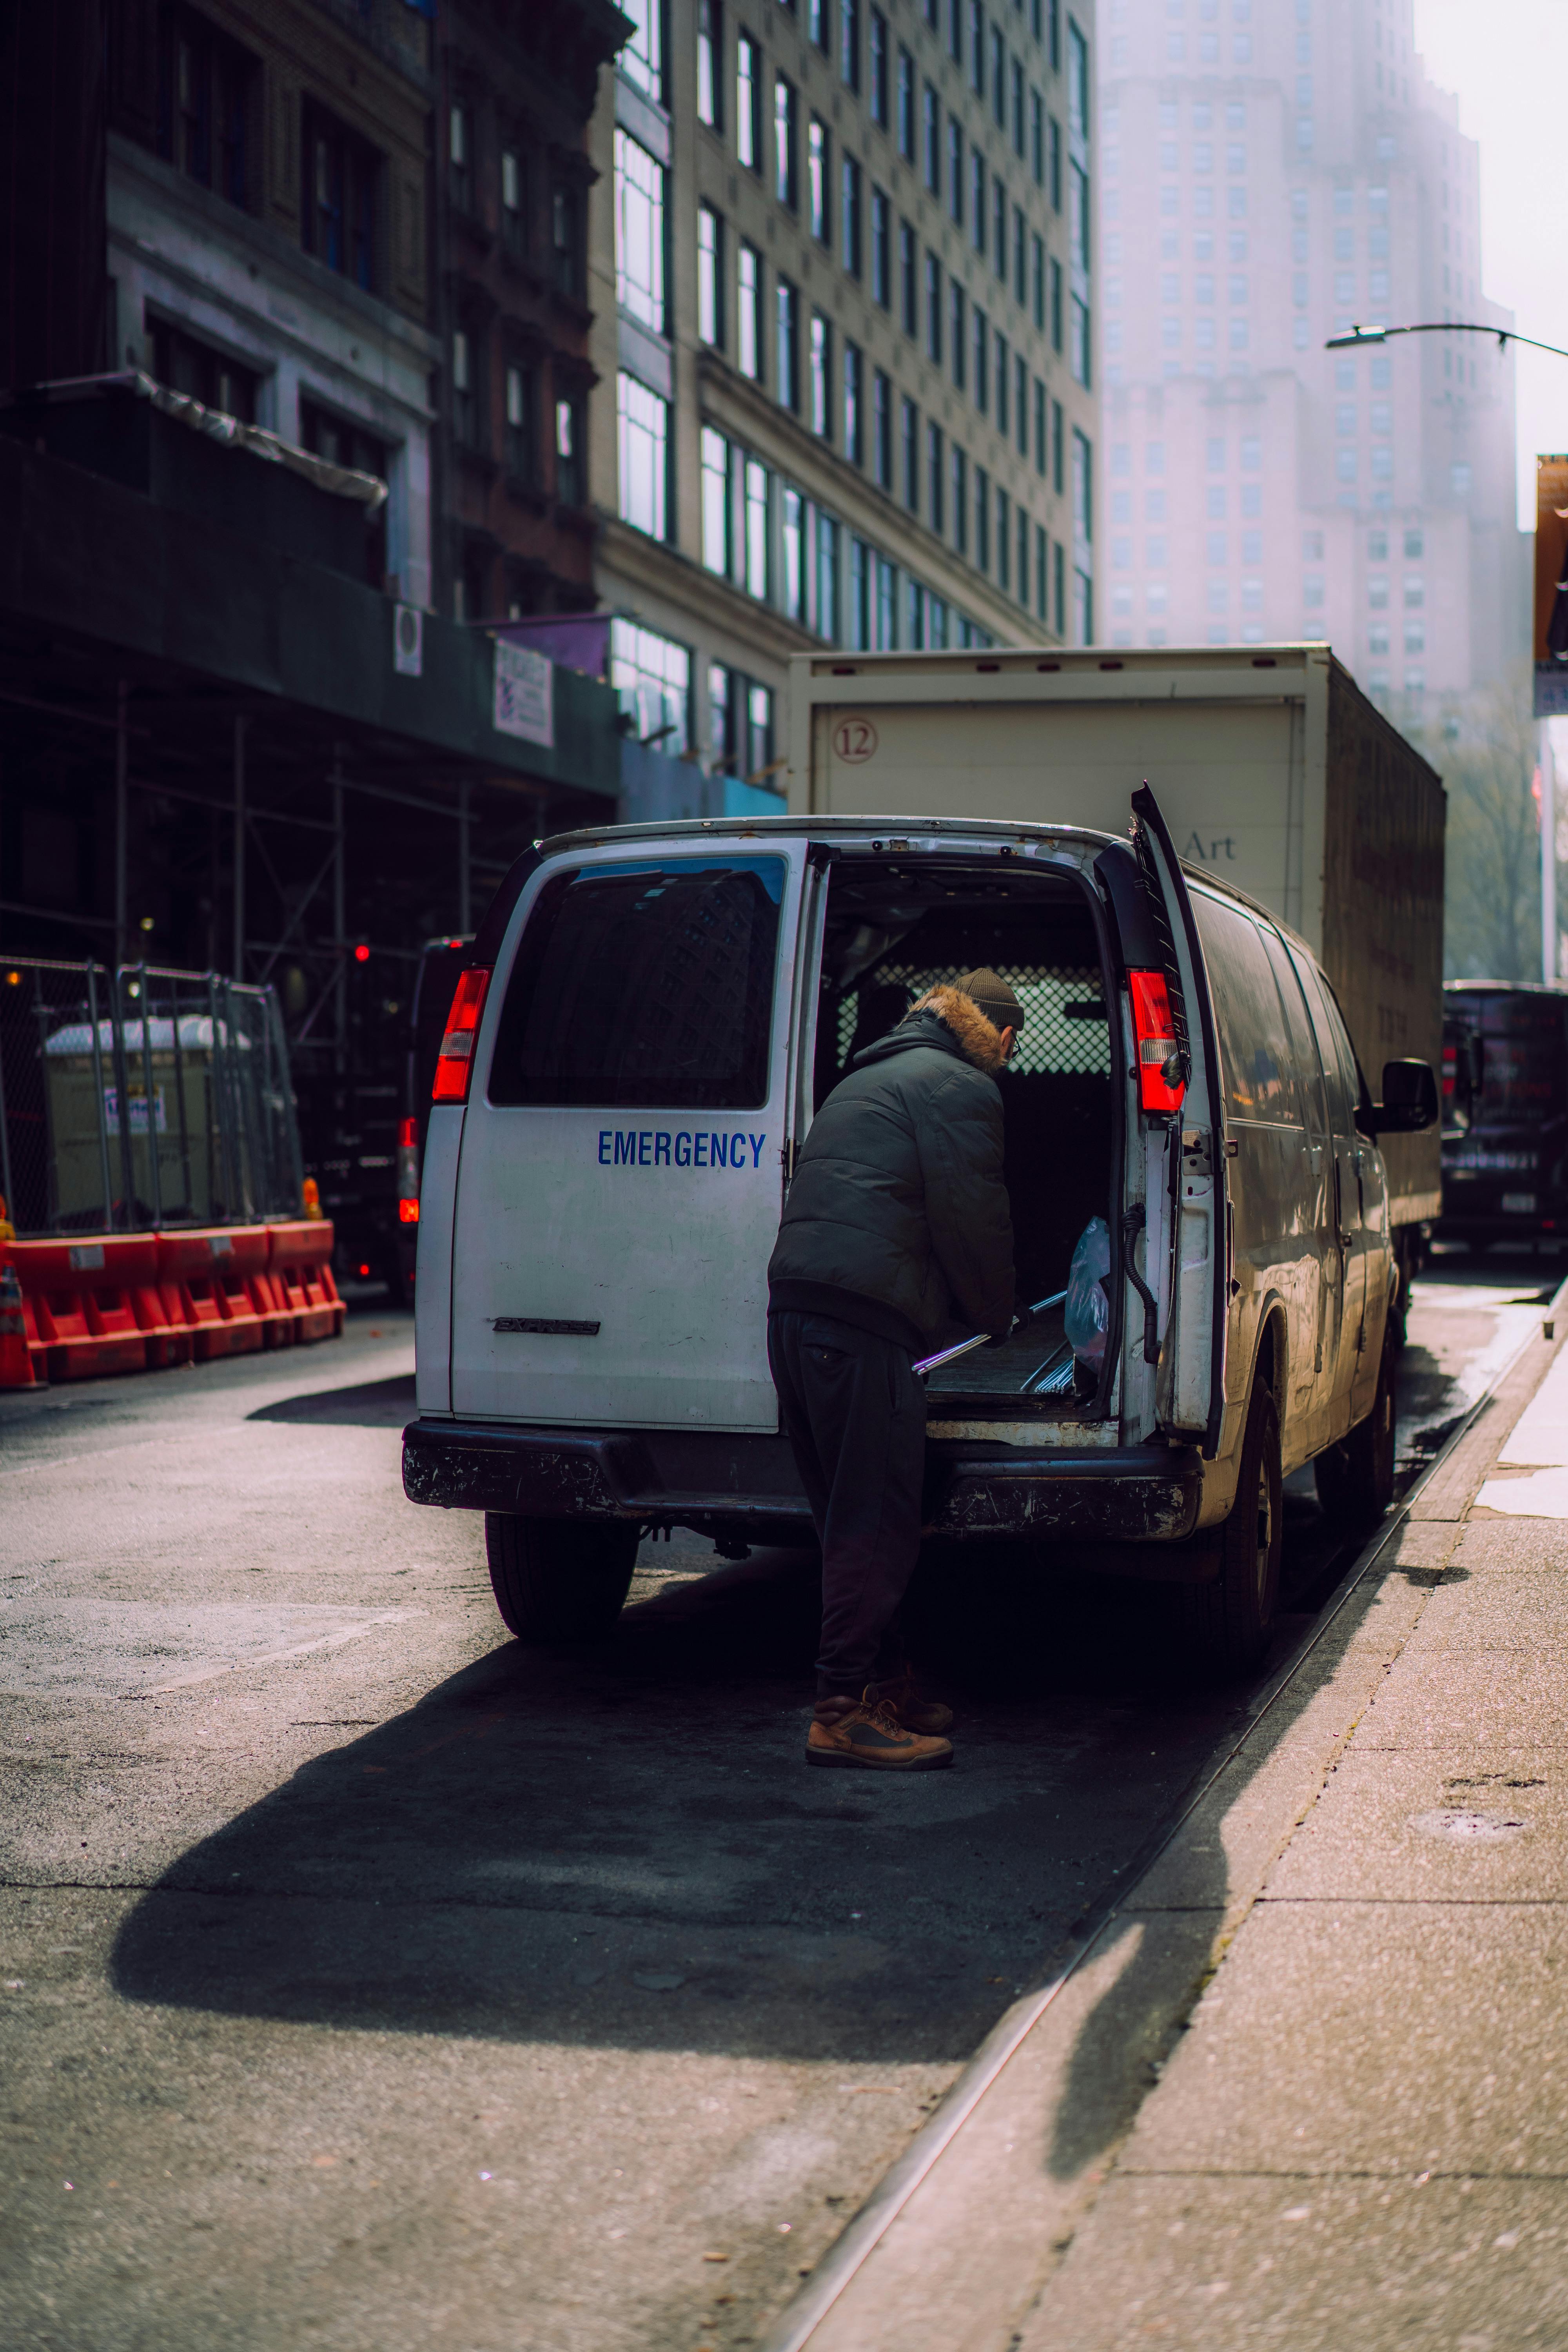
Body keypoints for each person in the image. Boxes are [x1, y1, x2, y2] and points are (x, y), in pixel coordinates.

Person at [766, 969, 1021, 1770]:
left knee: (847, 1519)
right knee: (874, 1525)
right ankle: (840, 1713)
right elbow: (972, 1221)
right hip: (859, 1328)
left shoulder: (868, 1073)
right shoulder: (961, 1088)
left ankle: (880, 1688)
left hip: (794, 1317)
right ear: (1001, 1037)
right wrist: (997, 1317)